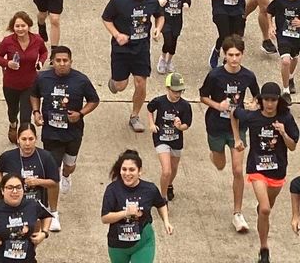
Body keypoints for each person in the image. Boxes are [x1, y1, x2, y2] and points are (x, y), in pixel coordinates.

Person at [231, 81, 299, 263]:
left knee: (266, 207)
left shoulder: (286, 118)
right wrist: (237, 139)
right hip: (257, 169)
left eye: (273, 100)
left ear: (278, 101)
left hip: (278, 171)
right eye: (266, 100)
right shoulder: (253, 117)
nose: (269, 104)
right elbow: (233, 113)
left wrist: (284, 134)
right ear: (261, 100)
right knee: (266, 209)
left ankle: (262, 210)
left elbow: (292, 146)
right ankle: (264, 249)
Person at [199, 34, 259, 233]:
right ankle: (214, 154)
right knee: (220, 164)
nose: (234, 59)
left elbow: (257, 96)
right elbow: (203, 96)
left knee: (237, 170)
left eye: (238, 55)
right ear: (224, 55)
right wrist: (218, 105)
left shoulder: (248, 76)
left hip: (238, 127)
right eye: (230, 55)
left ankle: (237, 213)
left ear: (242, 55)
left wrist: (253, 104)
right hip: (215, 125)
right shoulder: (215, 75)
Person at [31, 45, 99, 199]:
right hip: (51, 132)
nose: (62, 63)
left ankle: (66, 176)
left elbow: (94, 100)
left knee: (69, 165)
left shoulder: (81, 80)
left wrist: (80, 114)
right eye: (58, 60)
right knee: (52, 168)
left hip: (73, 132)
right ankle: (51, 206)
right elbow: (34, 95)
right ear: (52, 62)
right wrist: (36, 112)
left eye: (65, 60)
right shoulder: (42, 78)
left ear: (71, 62)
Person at [103, 0, 164, 133]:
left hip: (141, 49)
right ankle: (115, 82)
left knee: (141, 83)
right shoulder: (118, 0)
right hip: (121, 49)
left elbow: (160, 15)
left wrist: (158, 28)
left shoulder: (152, 1)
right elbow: (106, 18)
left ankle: (135, 116)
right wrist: (117, 35)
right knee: (121, 86)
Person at [100, 149, 172, 262]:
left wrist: (166, 221)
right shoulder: (112, 190)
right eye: (124, 169)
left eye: (132, 169)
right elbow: (104, 218)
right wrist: (125, 213)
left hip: (143, 242)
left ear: (140, 171)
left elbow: (160, 204)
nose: (127, 173)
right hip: (117, 245)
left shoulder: (150, 189)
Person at [0, 173, 52, 260]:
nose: (14, 191)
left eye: (18, 187)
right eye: (10, 188)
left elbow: (47, 216)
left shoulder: (32, 205)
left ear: (23, 190)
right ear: (3, 191)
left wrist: (44, 233)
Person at [0, 11, 48, 144]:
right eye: (17, 26)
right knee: (13, 111)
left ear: (28, 25)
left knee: (25, 117)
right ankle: (13, 124)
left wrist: (41, 61)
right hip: (11, 84)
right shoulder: (8, 42)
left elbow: (44, 52)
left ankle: (24, 141)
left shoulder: (37, 40)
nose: (20, 29)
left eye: (23, 26)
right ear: (13, 27)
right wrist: (7, 63)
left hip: (30, 84)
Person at [0, 125, 60, 229]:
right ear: (18, 140)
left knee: (34, 231)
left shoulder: (45, 157)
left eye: (31, 139)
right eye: (24, 139)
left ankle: (52, 216)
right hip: (15, 203)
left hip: (36, 203)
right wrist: (4, 184)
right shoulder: (8, 156)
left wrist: (37, 182)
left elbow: (54, 182)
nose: (27, 143)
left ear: (36, 139)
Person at [146, 72, 193, 201]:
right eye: (174, 91)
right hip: (161, 138)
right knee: (166, 170)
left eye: (180, 91)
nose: (177, 94)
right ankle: (162, 197)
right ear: (168, 88)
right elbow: (150, 109)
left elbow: (187, 124)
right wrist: (151, 124)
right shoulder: (160, 101)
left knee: (173, 169)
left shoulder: (185, 106)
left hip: (176, 140)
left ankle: (169, 184)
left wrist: (179, 126)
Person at [267, 0, 300, 102]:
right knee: (286, 61)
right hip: (283, 36)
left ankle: (290, 78)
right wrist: (270, 26)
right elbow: (269, 12)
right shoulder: (279, 1)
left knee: (295, 58)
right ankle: (285, 91)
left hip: (297, 37)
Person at [155, 0, 191, 75]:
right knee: (168, 40)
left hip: (177, 20)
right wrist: (159, 1)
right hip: (165, 20)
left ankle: (169, 61)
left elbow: (188, 1)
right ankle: (162, 58)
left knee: (174, 41)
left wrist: (186, 5)